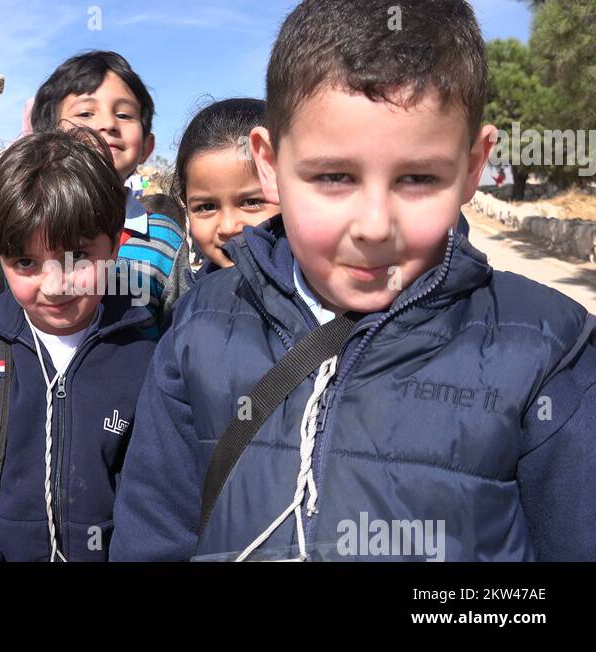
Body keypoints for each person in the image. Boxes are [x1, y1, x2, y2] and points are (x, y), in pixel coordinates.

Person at [111, 0, 596, 562]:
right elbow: (153, 534)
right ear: (269, 165)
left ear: (472, 166)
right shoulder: (199, 326)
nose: (373, 227)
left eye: (418, 178)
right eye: (334, 176)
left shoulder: (550, 351)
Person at [0, 128, 156, 561]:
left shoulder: (148, 359)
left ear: (115, 244)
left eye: (76, 257)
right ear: (0, 258)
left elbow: (156, 506)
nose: (54, 285)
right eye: (26, 262)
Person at [0, 51, 190, 334]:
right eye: (85, 113)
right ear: (46, 136)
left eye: (124, 114)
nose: (108, 124)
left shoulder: (164, 237)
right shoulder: (24, 226)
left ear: (147, 146)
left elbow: (183, 332)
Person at [171, 99, 281, 281]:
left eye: (251, 202)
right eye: (207, 207)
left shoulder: (322, 292)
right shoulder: (193, 297)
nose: (228, 227)